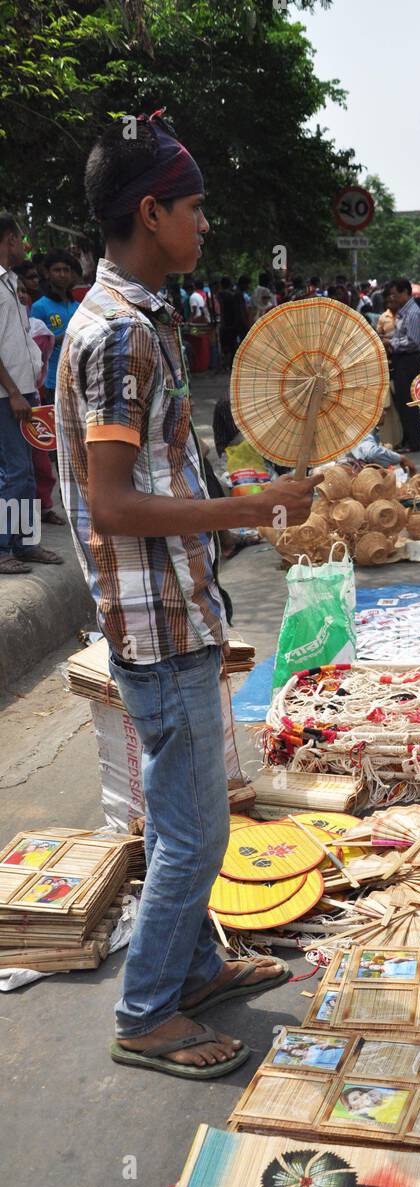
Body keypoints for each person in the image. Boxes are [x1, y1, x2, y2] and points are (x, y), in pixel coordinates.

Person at [54, 113, 315, 1078]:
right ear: (150, 210)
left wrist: (239, 507)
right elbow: (118, 505)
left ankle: (193, 966)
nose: (205, 224)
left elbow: (152, 479)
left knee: (180, 820)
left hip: (170, 610)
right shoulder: (118, 337)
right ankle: (147, 1012)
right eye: (194, 208)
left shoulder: (135, 321)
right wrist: (255, 501)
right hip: (158, 625)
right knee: (196, 837)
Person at [0, 213, 63, 574]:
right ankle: (4, 546)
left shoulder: (11, 282)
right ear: (9, 239)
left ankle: (25, 543)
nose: (25, 246)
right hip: (8, 395)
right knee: (15, 471)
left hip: (24, 391)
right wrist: (12, 392)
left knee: (27, 470)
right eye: (21, 239)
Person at [31, 250, 80, 404]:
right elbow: (35, 345)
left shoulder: (78, 306)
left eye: (66, 270)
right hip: (54, 379)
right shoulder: (39, 307)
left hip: (80, 376)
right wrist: (66, 336)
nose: (62, 274)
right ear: (47, 273)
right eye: (57, 270)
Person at [387, 277, 420, 455]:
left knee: (409, 403)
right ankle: (407, 439)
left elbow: (412, 341)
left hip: (408, 360)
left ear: (404, 293)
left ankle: (414, 442)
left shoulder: (412, 313)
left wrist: (391, 343)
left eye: (395, 294)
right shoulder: (404, 311)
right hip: (402, 359)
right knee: (403, 402)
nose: (393, 298)